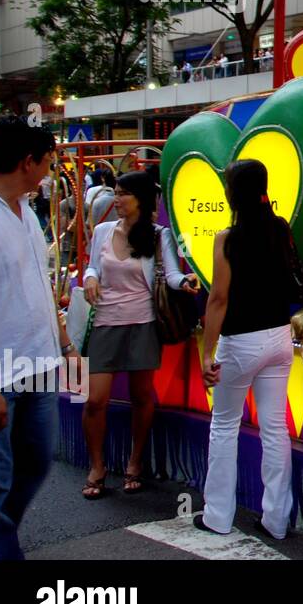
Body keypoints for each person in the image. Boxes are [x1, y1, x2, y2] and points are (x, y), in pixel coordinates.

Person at [0, 117, 79, 559]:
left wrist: (62, 341)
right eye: (47, 162)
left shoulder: (25, 211)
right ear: (27, 162)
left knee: (36, 463)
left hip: (39, 364)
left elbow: (37, 282)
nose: (49, 171)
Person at [197, 159, 303, 539]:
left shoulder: (228, 238)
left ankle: (217, 516)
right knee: (275, 429)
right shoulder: (280, 228)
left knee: (224, 425)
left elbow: (218, 299)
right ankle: (276, 520)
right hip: (279, 337)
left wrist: (206, 353)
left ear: (231, 193)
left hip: (241, 341)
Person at [80, 170, 198, 499]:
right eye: (116, 193)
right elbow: (92, 266)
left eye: (124, 194)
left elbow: (172, 275)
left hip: (143, 323)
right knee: (95, 400)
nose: (117, 200)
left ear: (141, 199)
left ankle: (135, 462)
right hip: (105, 321)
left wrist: (185, 283)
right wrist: (90, 277)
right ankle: (97, 465)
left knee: (142, 396)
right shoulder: (103, 231)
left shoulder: (159, 235)